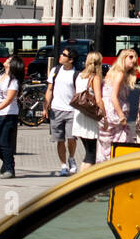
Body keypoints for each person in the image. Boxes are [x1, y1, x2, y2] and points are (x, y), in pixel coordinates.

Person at [0, 55, 25, 178]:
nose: (6, 60)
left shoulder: (14, 81)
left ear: (13, 64)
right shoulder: (2, 77)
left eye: (9, 60)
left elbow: (8, 100)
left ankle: (9, 169)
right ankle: (7, 161)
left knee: (4, 142)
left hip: (8, 114)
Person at [45, 45, 80, 176]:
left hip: (72, 111)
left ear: (71, 60)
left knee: (71, 138)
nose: (60, 56)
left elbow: (78, 93)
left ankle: (71, 158)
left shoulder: (77, 74)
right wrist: (46, 105)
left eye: (64, 55)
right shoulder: (55, 70)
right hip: (56, 109)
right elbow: (49, 89)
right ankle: (63, 165)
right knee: (59, 139)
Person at [98, 48, 137, 162]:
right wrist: (121, 116)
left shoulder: (113, 71)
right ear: (123, 58)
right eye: (130, 57)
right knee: (121, 141)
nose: (133, 60)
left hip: (106, 111)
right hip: (114, 112)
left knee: (106, 145)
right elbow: (113, 97)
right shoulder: (120, 74)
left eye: (134, 57)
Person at [71, 52, 106, 171]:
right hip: (89, 118)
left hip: (79, 115)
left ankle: (82, 180)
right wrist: (104, 116)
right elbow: (98, 99)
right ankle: (83, 182)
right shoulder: (94, 77)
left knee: (88, 152)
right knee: (91, 154)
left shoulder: (80, 76)